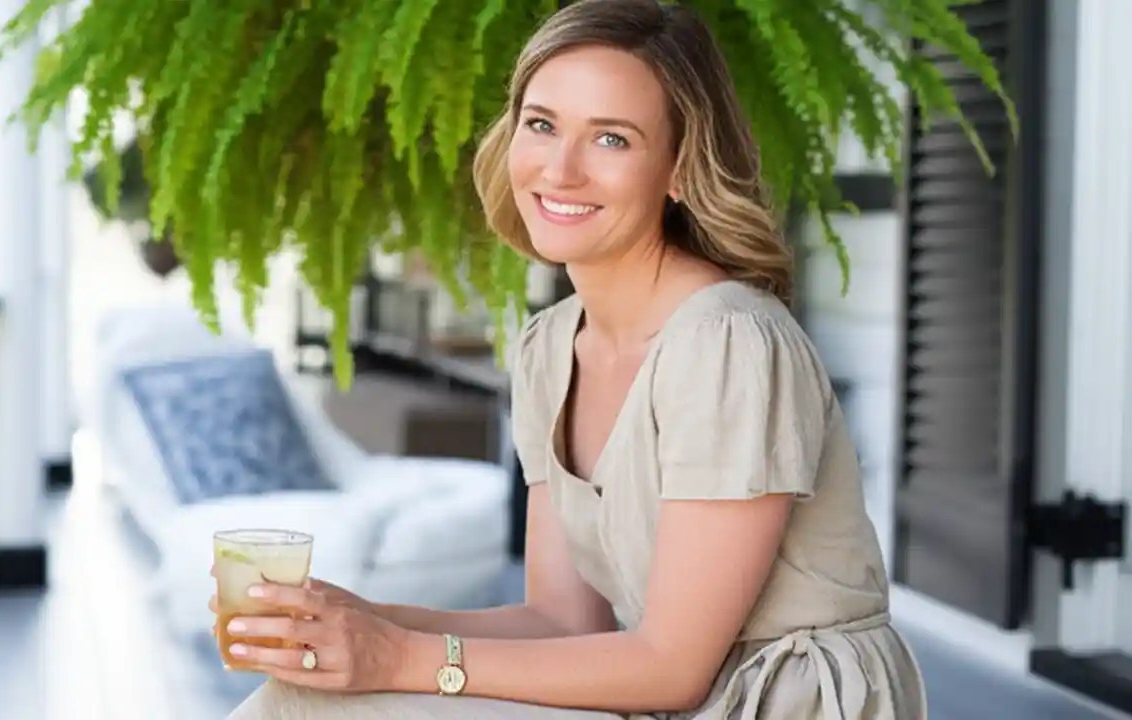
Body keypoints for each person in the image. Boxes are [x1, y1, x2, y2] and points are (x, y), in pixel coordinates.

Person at [219, 0, 927, 717]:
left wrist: (398, 656)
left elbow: (672, 667)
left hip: (780, 703)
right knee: (300, 694)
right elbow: (561, 622)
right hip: (656, 693)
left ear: (680, 169)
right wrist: (360, 621)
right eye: (541, 124)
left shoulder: (728, 344)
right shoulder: (551, 347)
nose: (560, 170)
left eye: (611, 139)